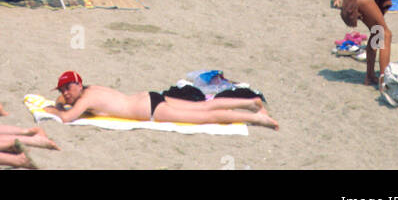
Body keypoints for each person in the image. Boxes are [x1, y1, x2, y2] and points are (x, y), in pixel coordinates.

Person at [51, 70, 278, 130]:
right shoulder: (91, 89)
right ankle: (250, 103)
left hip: (149, 109)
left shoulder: (86, 99)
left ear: (78, 85)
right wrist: (63, 99)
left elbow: (68, 118)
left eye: (68, 88)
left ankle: (257, 118)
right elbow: (70, 103)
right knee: (203, 106)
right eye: (63, 90)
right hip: (149, 97)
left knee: (204, 117)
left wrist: (53, 109)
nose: (66, 93)